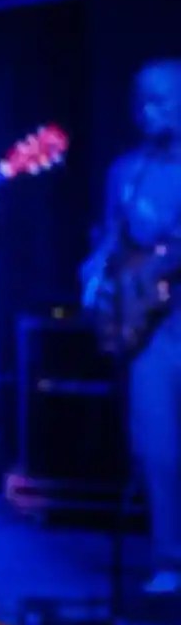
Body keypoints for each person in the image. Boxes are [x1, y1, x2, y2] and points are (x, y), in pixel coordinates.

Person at [82, 59, 181, 595]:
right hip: (149, 329)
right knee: (155, 443)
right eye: (142, 101)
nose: (150, 111)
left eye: (163, 100)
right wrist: (94, 268)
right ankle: (170, 559)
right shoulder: (126, 170)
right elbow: (112, 239)